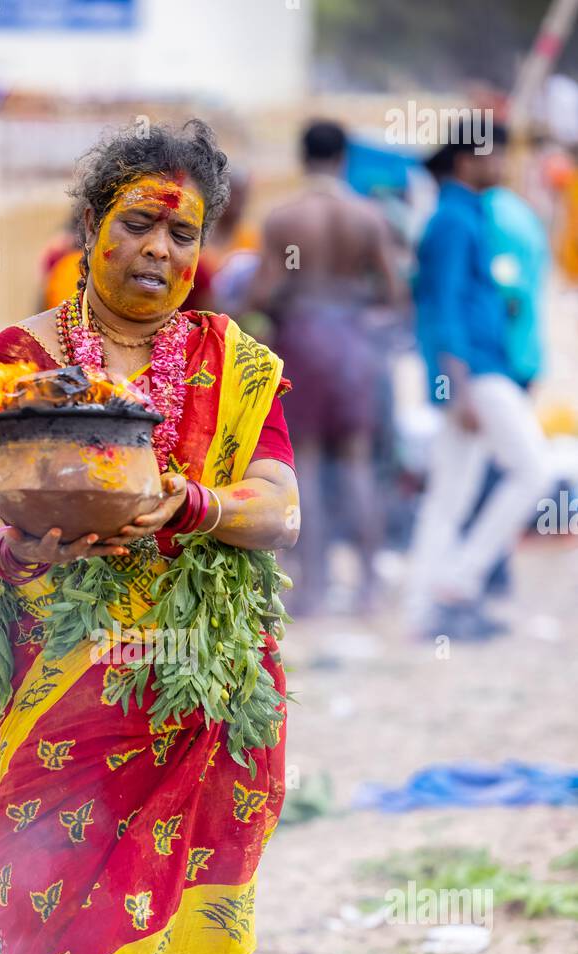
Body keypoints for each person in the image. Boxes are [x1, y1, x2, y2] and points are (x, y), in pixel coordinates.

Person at [0, 120, 300, 954]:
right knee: (72, 927)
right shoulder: (17, 361)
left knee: (155, 945)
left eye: (182, 232)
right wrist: (11, 555)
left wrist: (192, 503)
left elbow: (280, 510)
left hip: (201, 691)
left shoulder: (235, 363)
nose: (158, 248)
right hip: (65, 690)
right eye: (137, 220)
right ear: (91, 222)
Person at [248, 120, 402, 615]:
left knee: (306, 464)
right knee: (357, 463)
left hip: (304, 338)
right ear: (344, 159)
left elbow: (262, 292)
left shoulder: (284, 219)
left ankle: (312, 589)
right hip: (354, 340)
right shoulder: (368, 216)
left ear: (302, 157)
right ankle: (367, 590)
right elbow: (394, 292)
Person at [405, 121, 552, 640]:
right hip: (475, 374)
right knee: (535, 470)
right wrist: (459, 386)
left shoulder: (463, 214)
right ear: (468, 160)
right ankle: (458, 582)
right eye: (496, 155)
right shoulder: (453, 220)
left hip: (469, 373)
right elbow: (442, 309)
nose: (502, 165)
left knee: (449, 495)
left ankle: (424, 607)